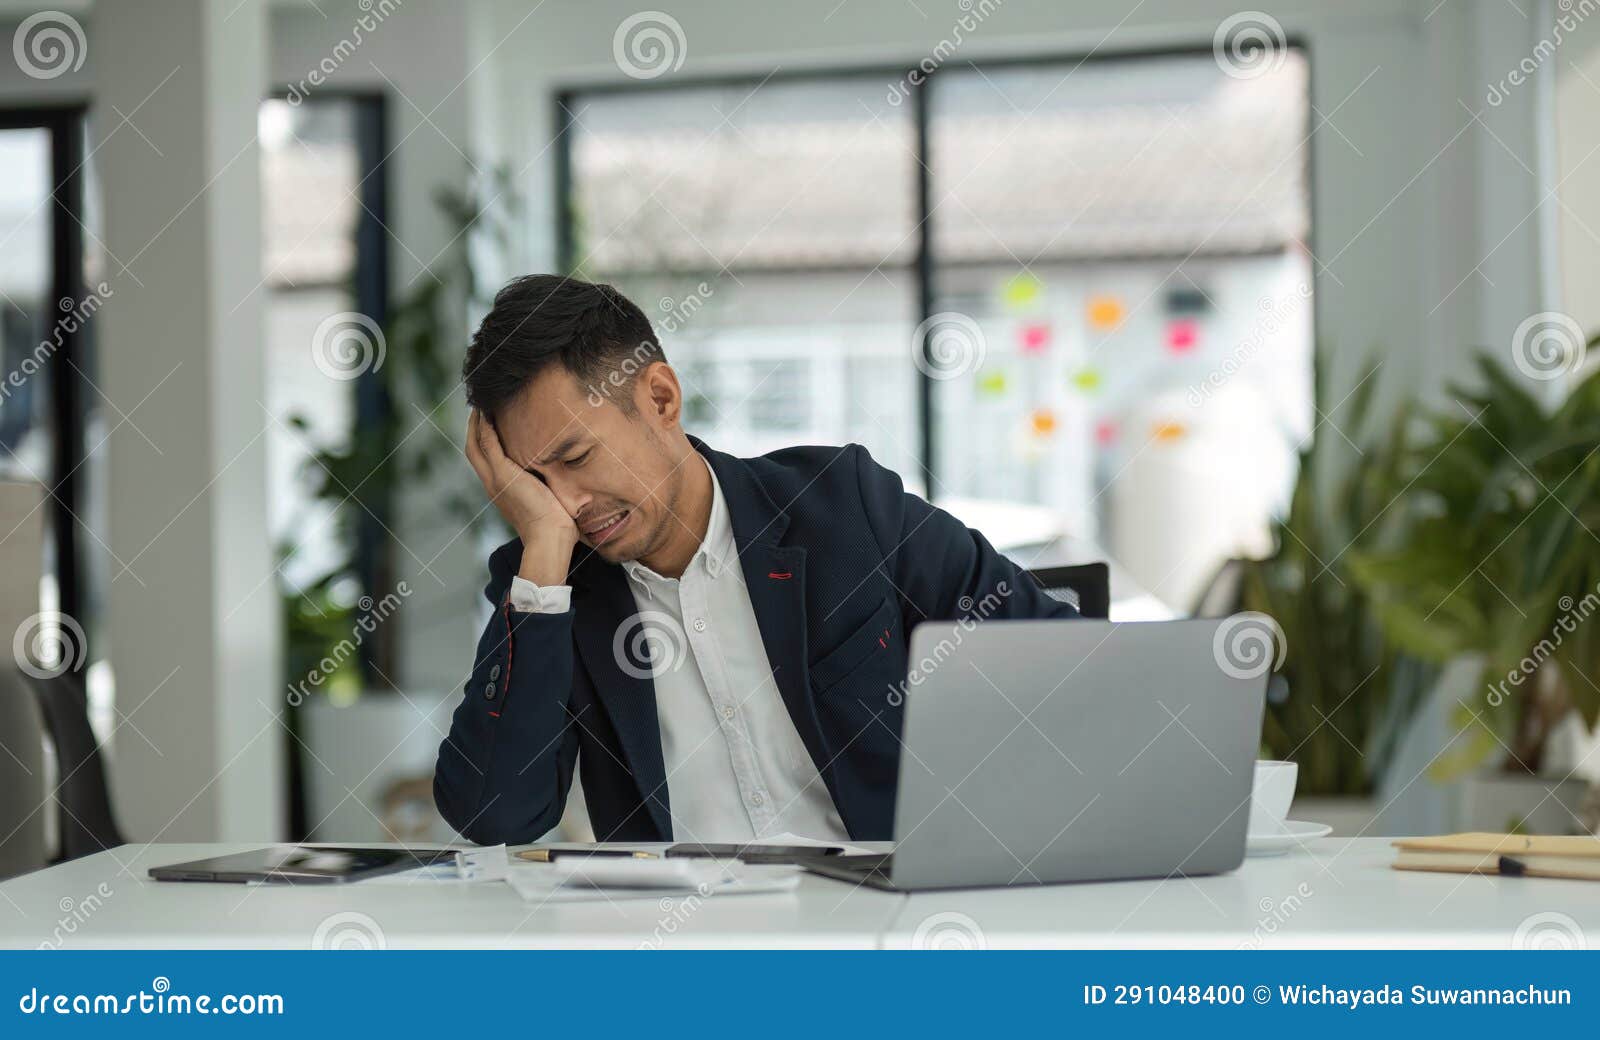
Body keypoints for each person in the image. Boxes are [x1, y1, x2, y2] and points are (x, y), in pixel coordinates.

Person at [434, 275, 1078, 845]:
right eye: (534, 482)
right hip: (685, 949)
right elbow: (495, 818)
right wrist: (543, 554)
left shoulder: (845, 509)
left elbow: (1063, 665)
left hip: (888, 927)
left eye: (575, 459)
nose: (566, 504)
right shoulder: (552, 585)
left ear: (660, 399)